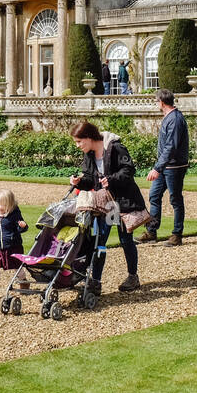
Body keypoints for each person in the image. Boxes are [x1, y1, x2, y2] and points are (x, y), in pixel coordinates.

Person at [69, 121, 142, 294]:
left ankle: (133, 276)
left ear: (89, 137)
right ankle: (96, 281)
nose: (78, 146)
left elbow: (129, 169)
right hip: (106, 204)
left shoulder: (115, 147)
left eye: (79, 141)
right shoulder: (89, 154)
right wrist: (80, 182)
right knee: (99, 241)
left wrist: (112, 179)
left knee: (126, 240)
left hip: (123, 200)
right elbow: (89, 179)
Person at [137, 88, 188, 247]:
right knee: (154, 195)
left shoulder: (175, 119)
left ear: (162, 102)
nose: (156, 103)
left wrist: (157, 168)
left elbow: (170, 147)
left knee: (175, 199)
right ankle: (152, 232)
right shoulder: (170, 117)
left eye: (156, 101)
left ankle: (177, 234)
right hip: (166, 166)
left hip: (174, 166)